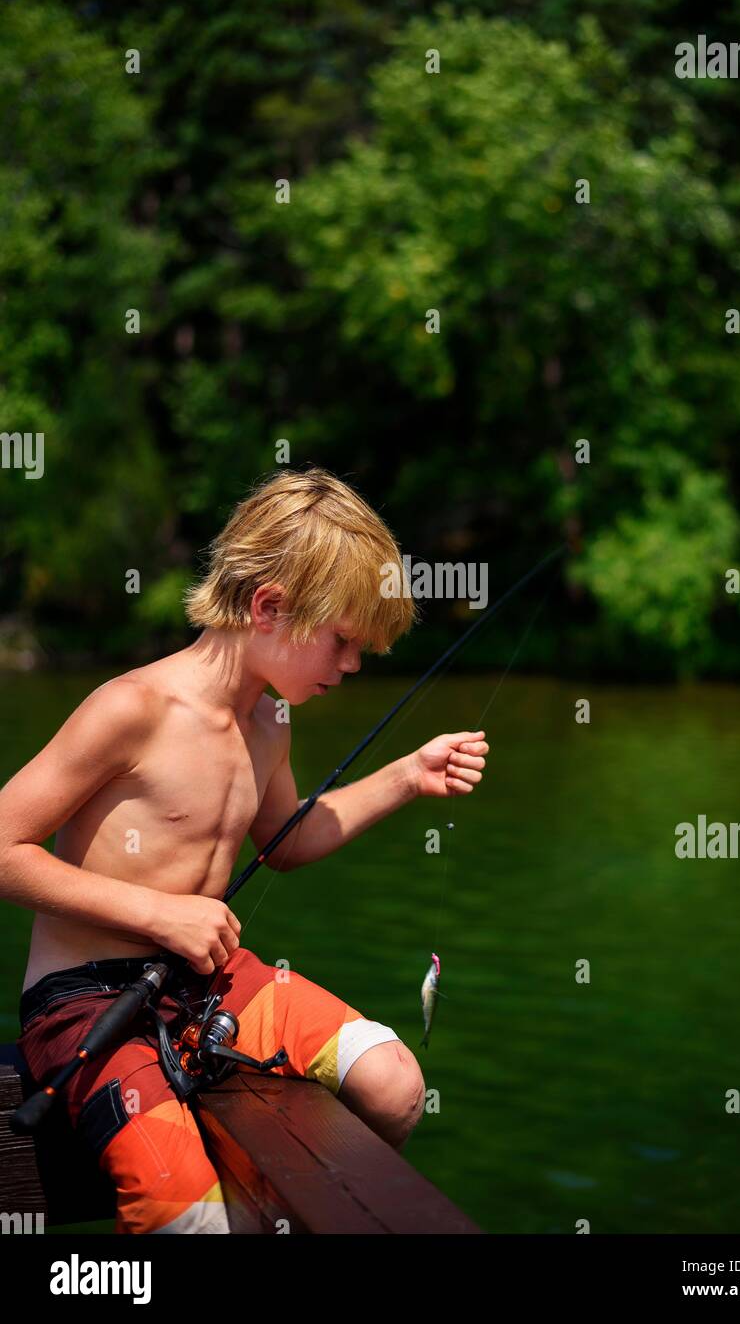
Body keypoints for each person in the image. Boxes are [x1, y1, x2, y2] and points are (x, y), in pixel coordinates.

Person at [0, 467, 489, 1234]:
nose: (351, 665)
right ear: (268, 607)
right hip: (87, 1001)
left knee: (393, 1082)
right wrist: (160, 913)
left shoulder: (270, 722)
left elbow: (288, 841)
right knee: (187, 1216)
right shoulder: (134, 709)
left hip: (206, 983)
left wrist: (405, 777)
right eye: (342, 641)